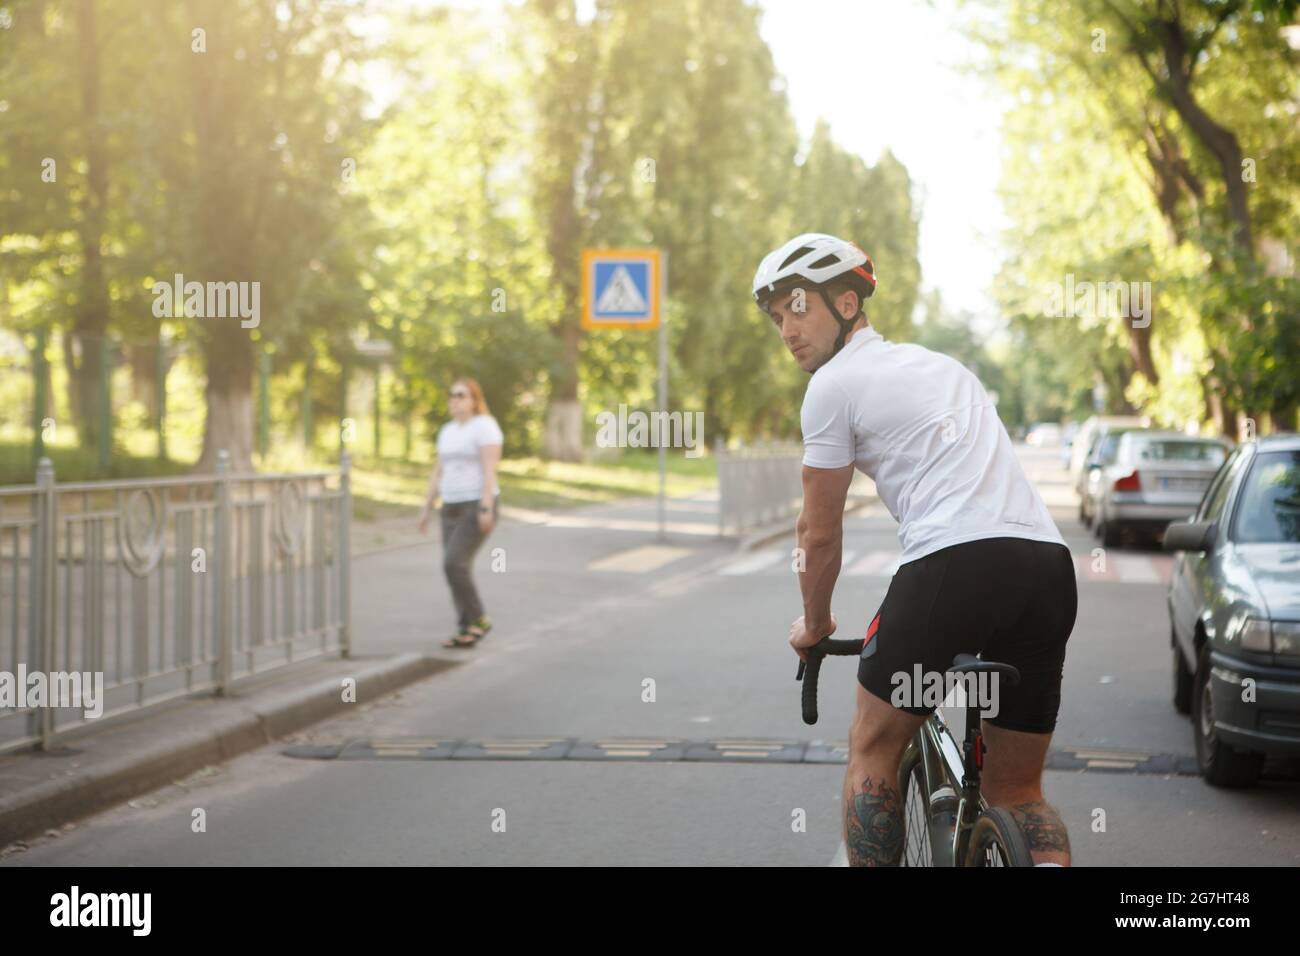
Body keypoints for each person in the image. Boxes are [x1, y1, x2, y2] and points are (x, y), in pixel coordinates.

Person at [752, 233, 1078, 866]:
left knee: (872, 747)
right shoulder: (944, 367)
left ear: (848, 302)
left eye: (798, 307)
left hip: (952, 563)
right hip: (1046, 566)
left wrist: (816, 624)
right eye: (776, 317)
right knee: (1020, 793)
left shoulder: (832, 386)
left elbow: (817, 533)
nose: (786, 329)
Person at [417, 377, 503, 648]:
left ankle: (478, 618)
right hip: (450, 506)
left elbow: (490, 470)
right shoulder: (447, 431)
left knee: (453, 563)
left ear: (474, 400)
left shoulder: (485, 427)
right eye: (451, 395)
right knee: (456, 567)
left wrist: (486, 507)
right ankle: (467, 627)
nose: (454, 399)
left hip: (475, 504)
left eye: (461, 395)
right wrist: (426, 507)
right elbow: (438, 471)